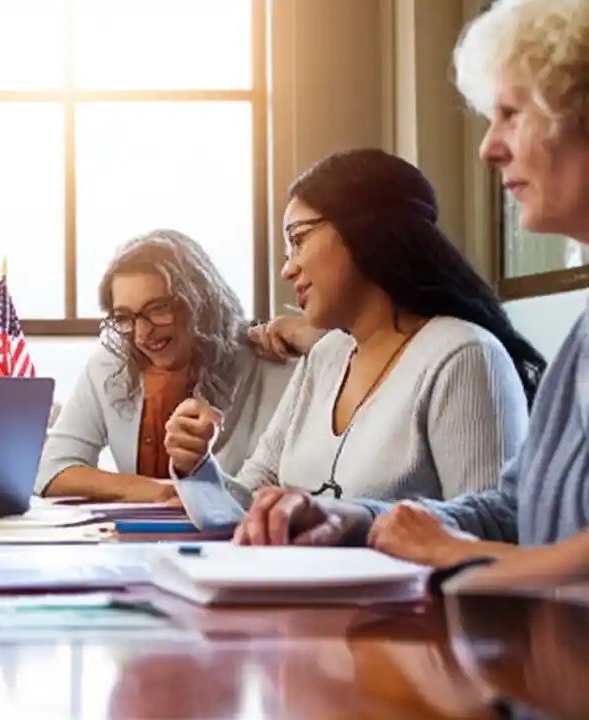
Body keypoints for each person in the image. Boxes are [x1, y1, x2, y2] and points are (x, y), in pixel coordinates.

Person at [235, 0, 589, 577]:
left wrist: (463, 559)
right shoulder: (583, 337)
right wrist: (355, 519)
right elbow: (513, 512)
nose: (488, 147)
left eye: (511, 113)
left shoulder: (461, 352)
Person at [179, 148, 542, 511]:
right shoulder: (326, 356)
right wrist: (196, 466)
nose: (287, 269)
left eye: (298, 240)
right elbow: (248, 501)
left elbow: (491, 531)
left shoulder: (462, 354)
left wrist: (341, 520)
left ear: (363, 230)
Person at [36, 230, 296, 502]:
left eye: (158, 309)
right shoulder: (111, 364)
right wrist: (157, 490)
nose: (141, 334)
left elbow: (268, 491)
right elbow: (52, 470)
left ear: (201, 303)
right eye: (124, 317)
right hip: (138, 540)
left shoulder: (268, 363)